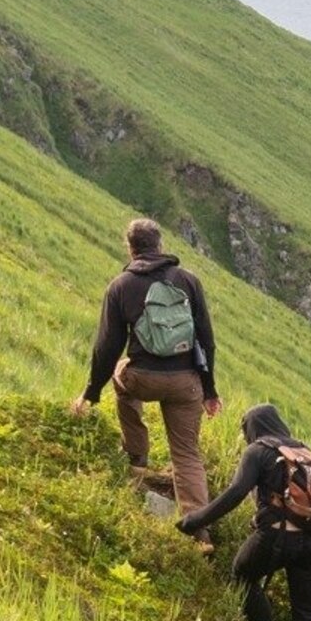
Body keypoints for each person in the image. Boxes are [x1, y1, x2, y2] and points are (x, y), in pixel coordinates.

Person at [182, 404, 311, 621]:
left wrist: (194, 521)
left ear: (252, 429)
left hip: (277, 537)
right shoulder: (306, 453)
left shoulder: (258, 451)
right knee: (307, 614)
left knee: (242, 573)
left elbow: (235, 493)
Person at [72, 217, 219, 513]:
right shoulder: (188, 281)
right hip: (185, 383)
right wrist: (209, 390)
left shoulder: (121, 286)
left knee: (121, 375)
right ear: (160, 244)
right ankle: (198, 531)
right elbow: (206, 339)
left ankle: (137, 459)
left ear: (130, 248)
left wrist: (90, 392)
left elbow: (107, 347)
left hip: (141, 379)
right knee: (187, 455)